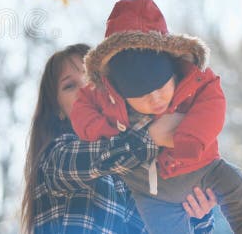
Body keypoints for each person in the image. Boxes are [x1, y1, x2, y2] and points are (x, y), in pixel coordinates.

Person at [70, 0, 242, 234]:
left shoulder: (196, 82)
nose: (155, 98)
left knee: (232, 183)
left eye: (161, 87)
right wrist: (109, 134)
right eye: (142, 95)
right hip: (151, 192)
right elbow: (82, 110)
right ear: (121, 91)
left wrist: (188, 139)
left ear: (173, 71)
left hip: (201, 167)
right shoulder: (103, 95)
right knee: (163, 225)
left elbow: (212, 106)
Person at [21, 43, 218, 234]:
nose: (85, 90)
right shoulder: (56, 158)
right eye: (70, 86)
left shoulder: (145, 172)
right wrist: (152, 137)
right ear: (58, 109)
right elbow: (103, 159)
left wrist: (198, 215)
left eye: (92, 79)